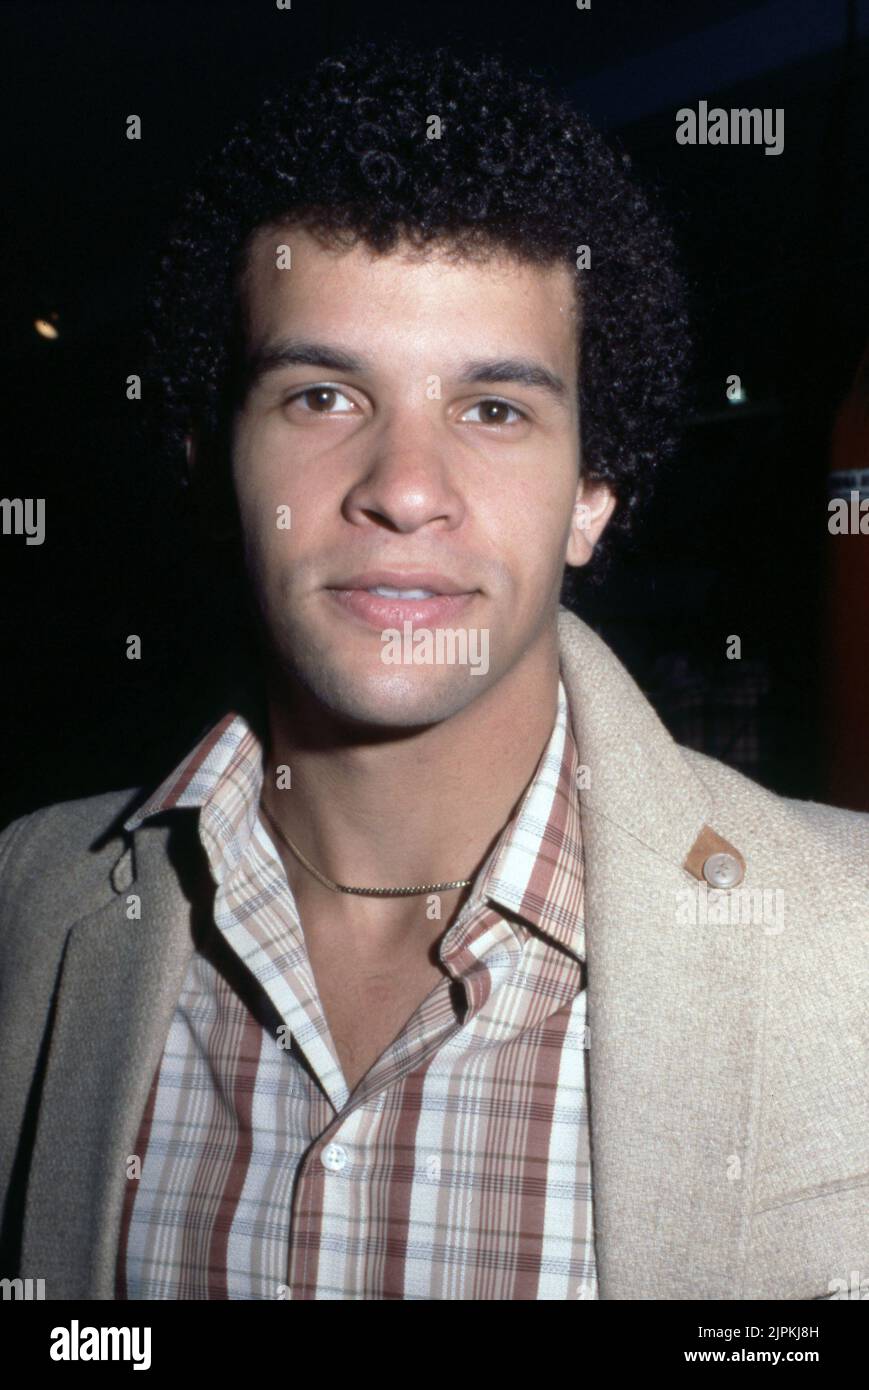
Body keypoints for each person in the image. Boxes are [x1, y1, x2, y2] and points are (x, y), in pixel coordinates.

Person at [1, 39, 866, 1302]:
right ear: (210, 468)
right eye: (319, 397)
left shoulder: (847, 948)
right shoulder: (30, 906)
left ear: (592, 495)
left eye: (493, 409)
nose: (404, 490)